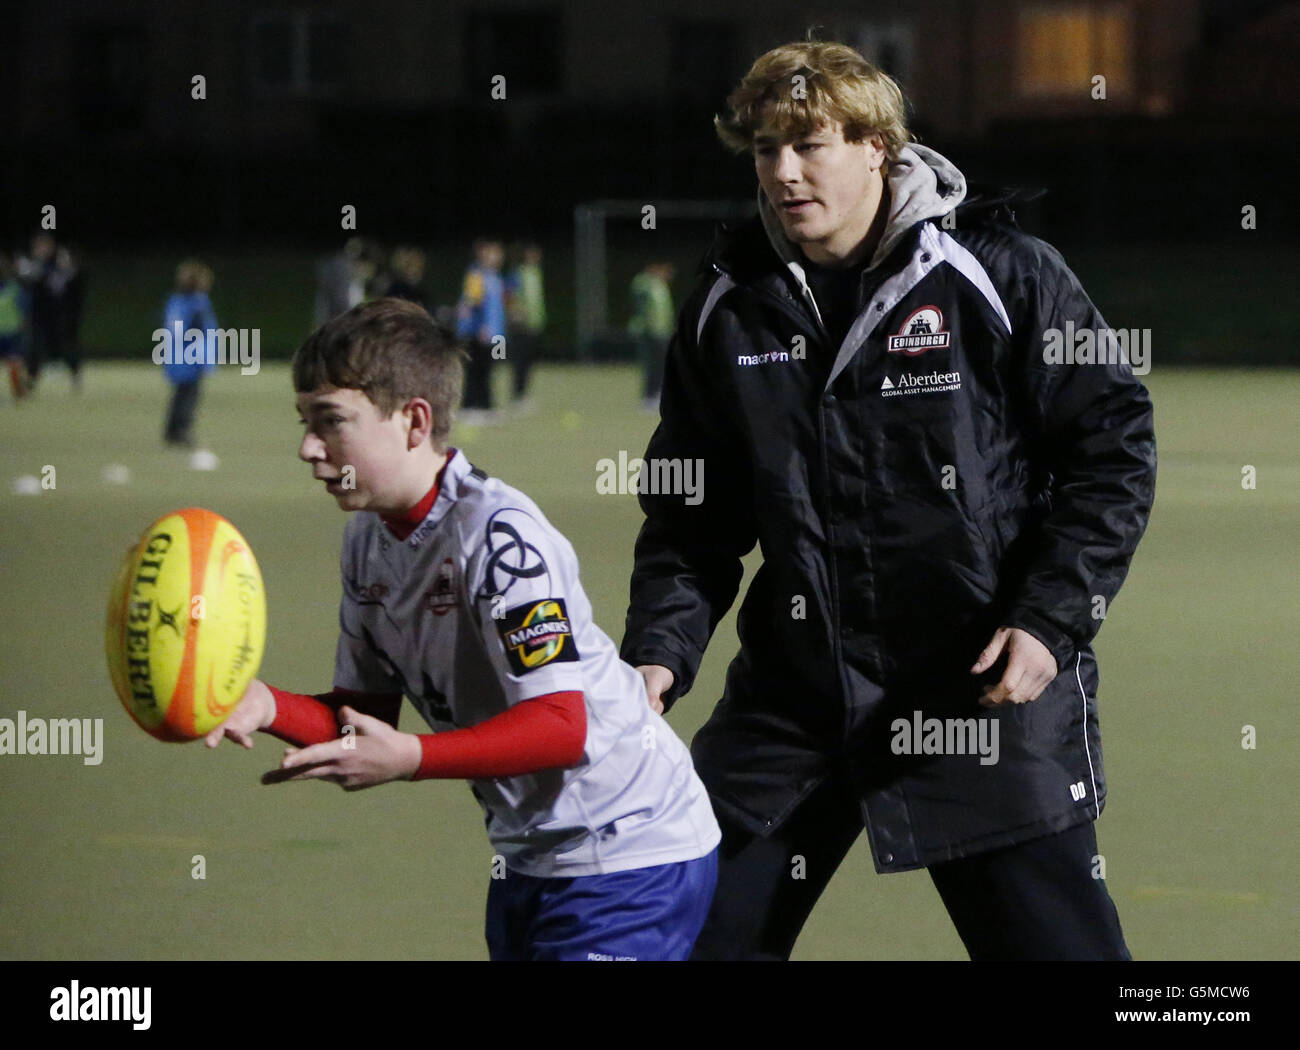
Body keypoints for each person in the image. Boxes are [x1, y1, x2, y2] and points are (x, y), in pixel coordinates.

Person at [619, 40, 1157, 961]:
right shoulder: (728, 301)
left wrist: (1049, 619)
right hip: (796, 701)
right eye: (763, 151)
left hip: (978, 688)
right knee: (678, 937)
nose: (783, 173)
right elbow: (691, 513)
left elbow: (1112, 450)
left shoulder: (1002, 271)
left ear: (878, 146)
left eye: (809, 145)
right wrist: (659, 655)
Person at [206, 298, 720, 961]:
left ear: (414, 420)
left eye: (330, 422)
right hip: (532, 858)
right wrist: (263, 703)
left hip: (632, 850)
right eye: (305, 423)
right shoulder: (366, 541)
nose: (308, 448)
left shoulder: (499, 538)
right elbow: (364, 718)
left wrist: (412, 759)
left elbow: (564, 724)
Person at [161, 260, 218, 447]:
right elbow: (203, 331)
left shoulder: (175, 301)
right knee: (189, 396)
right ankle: (182, 430)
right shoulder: (198, 303)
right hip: (191, 357)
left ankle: (171, 430)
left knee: (179, 394)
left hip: (175, 355)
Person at [456, 239, 507, 425]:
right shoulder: (476, 276)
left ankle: (487, 405)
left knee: (492, 368)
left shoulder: (495, 276)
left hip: (497, 336)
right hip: (480, 334)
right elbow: (472, 303)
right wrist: (480, 326)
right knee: (477, 368)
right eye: (492, 253)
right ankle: (472, 406)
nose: (496, 257)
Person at [504, 241, 546, 412]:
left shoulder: (536, 272)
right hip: (520, 325)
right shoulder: (517, 273)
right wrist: (515, 311)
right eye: (531, 253)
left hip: (535, 324)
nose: (535, 256)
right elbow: (508, 294)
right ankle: (516, 395)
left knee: (529, 361)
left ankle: (524, 394)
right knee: (519, 361)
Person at [627, 261, 675, 411]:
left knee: (662, 364)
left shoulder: (661, 287)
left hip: (662, 331)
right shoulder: (644, 284)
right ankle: (649, 396)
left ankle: (658, 393)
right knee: (652, 364)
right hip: (649, 332)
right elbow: (639, 293)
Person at [0, 253, 28, 400]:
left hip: (11, 331)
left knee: (14, 362)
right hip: (8, 331)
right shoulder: (14, 288)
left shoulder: (14, 288)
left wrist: (22, 324)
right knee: (14, 362)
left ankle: (18, 391)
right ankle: (18, 391)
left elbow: (22, 309)